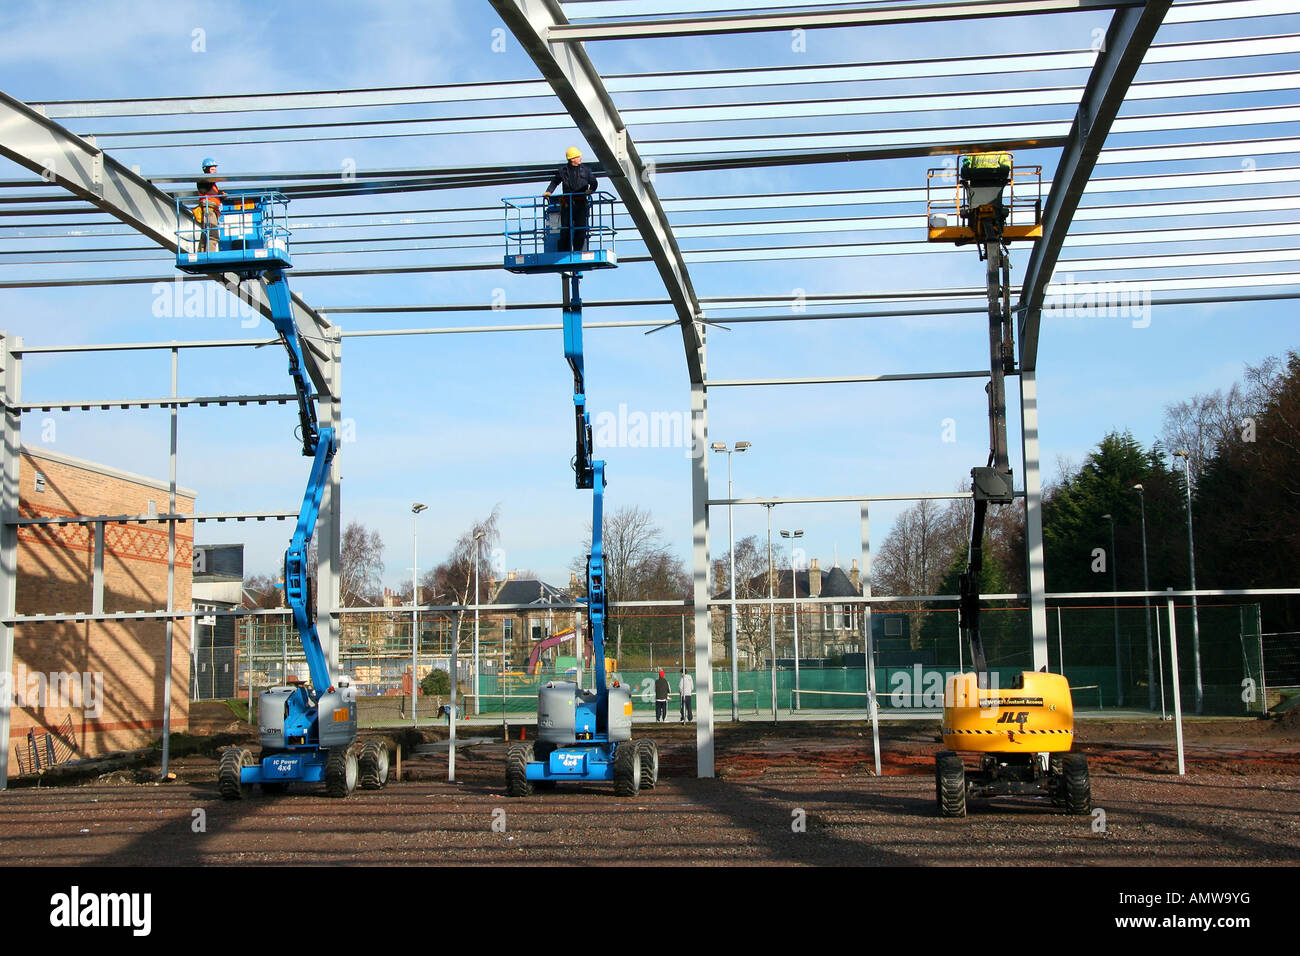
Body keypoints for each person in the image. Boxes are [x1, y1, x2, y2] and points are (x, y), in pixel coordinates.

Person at [543, 146, 597, 252]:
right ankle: (564, 251)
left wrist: (591, 190)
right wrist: (549, 191)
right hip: (567, 203)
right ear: (572, 159)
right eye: (578, 156)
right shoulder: (563, 171)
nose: (580, 158)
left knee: (581, 228)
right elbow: (555, 182)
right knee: (565, 228)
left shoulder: (585, 170)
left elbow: (594, 182)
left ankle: (578, 251)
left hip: (581, 203)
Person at [195, 158, 224, 253]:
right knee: (213, 234)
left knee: (206, 233)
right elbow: (203, 190)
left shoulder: (213, 185)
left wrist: (221, 195)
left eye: (215, 169)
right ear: (206, 170)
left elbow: (211, 194)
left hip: (212, 210)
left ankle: (202, 253)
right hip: (209, 210)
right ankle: (209, 254)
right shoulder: (203, 181)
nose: (215, 171)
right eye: (212, 169)